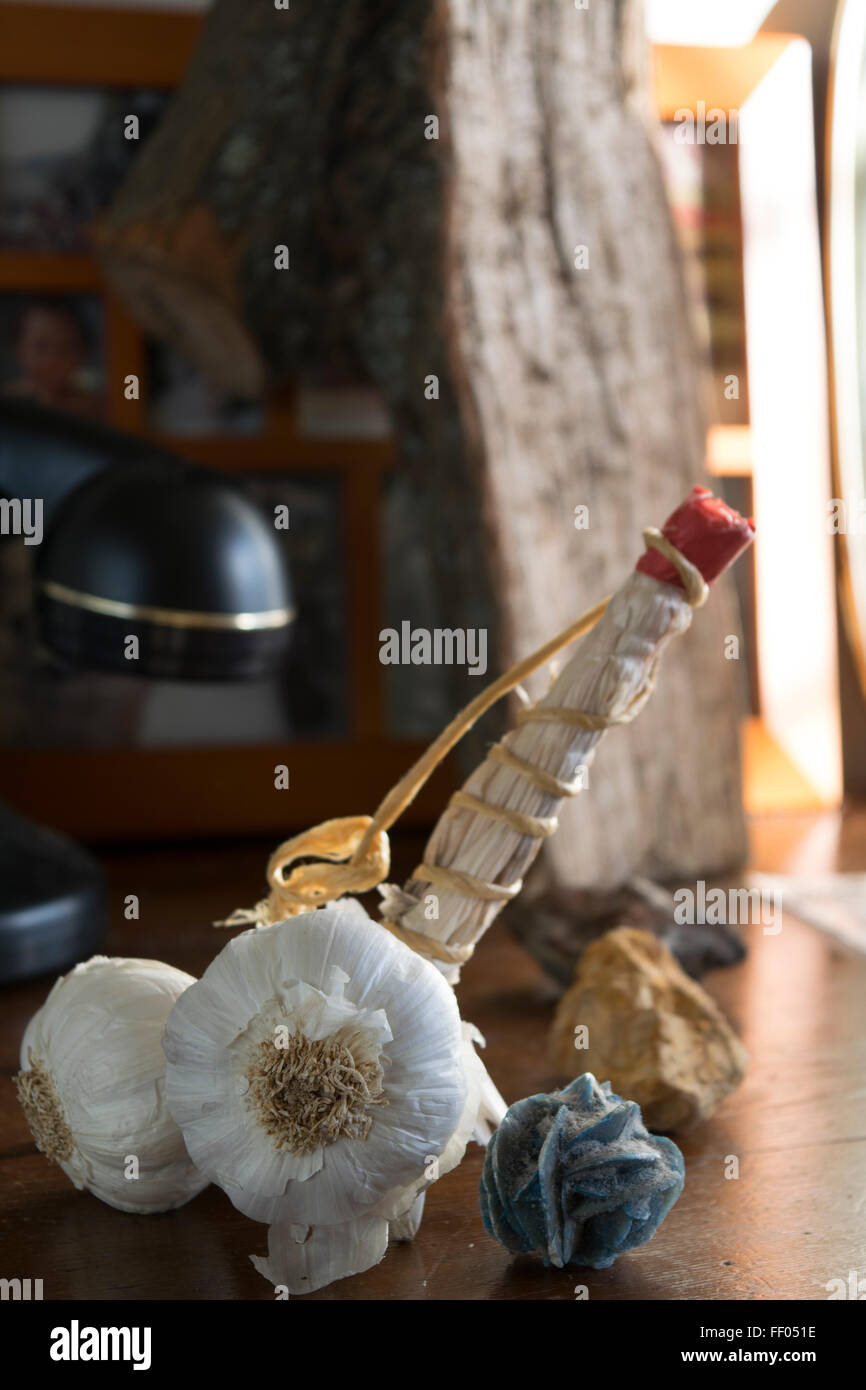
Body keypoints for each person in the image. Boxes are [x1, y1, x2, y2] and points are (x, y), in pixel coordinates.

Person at [3, 299, 102, 417]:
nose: (52, 360)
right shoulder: (6, 406)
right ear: (18, 348)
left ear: (81, 353)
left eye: (65, 349)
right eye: (41, 347)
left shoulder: (94, 410)